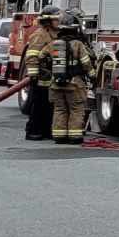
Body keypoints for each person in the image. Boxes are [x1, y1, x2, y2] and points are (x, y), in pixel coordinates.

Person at [43, 10, 96, 145]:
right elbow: (86, 63)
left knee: (60, 109)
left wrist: (48, 71)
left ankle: (59, 136)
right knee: (76, 109)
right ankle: (74, 137)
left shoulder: (54, 44)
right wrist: (93, 76)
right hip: (74, 84)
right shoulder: (78, 44)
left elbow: (41, 57)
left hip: (56, 84)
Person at [20, 7, 60, 141]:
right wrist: (33, 74)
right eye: (55, 19)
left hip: (52, 76)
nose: (58, 22)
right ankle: (33, 130)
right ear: (47, 21)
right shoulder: (40, 35)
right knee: (38, 104)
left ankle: (46, 130)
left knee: (50, 105)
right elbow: (32, 55)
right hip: (41, 76)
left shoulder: (57, 34)